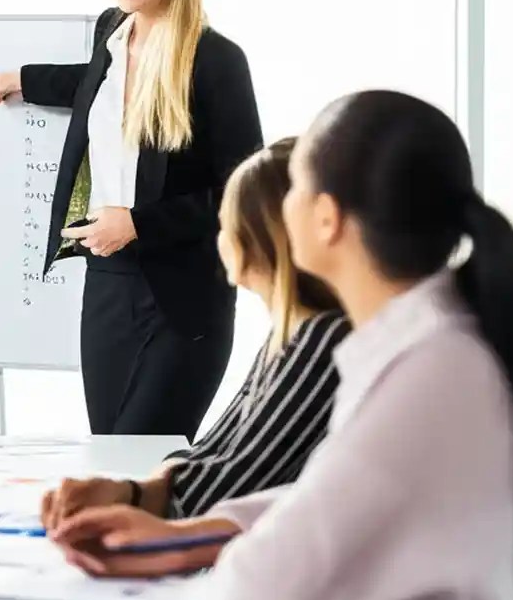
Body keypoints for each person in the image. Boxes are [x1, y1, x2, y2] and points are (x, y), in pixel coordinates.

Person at [50, 90, 513, 600]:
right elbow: (326, 499)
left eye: (295, 186)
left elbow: (262, 590)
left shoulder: (429, 373)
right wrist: (181, 539)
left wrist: (175, 540)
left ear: (326, 218)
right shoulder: (428, 346)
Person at [0, 0, 263, 437]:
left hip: (182, 299)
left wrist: (138, 223)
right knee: (107, 460)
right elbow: (95, 83)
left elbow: (245, 195)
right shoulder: (112, 33)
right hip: (108, 284)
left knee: (141, 457)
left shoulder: (217, 60)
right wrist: (25, 79)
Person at [40, 137, 349, 527]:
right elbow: (215, 453)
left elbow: (220, 485)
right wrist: (134, 489)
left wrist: (135, 494)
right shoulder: (293, 336)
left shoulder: (321, 343)